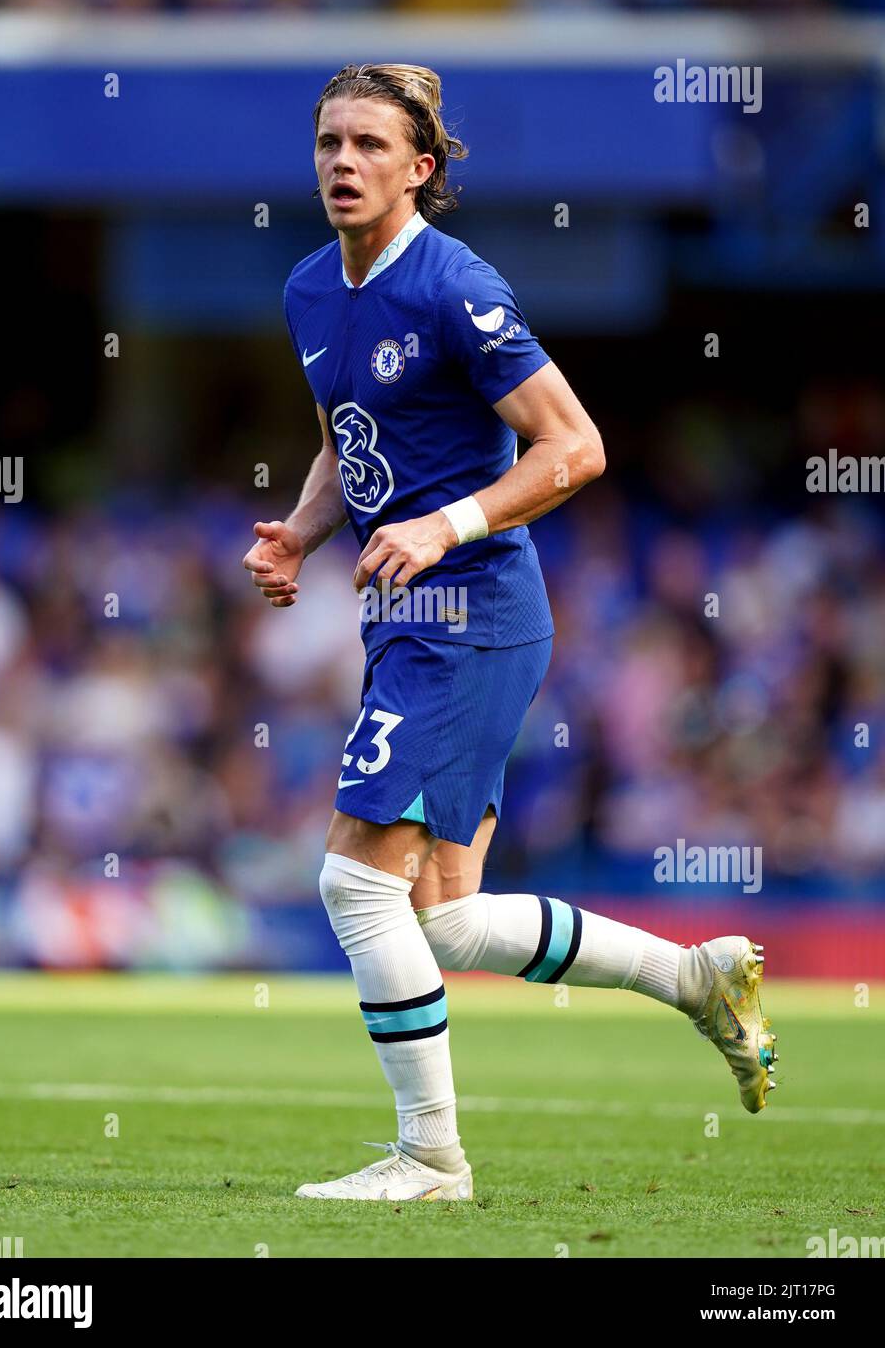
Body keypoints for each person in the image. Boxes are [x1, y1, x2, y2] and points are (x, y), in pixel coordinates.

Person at [243, 62, 777, 1202]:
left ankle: (430, 1157)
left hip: (468, 611)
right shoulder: (307, 288)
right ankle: (694, 978)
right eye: (330, 142)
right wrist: (298, 531)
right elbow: (356, 435)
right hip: (407, 618)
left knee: (352, 884)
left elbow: (573, 448)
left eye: (371, 147)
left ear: (419, 169)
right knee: (435, 918)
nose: (343, 163)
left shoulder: (453, 284)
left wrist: (445, 526)